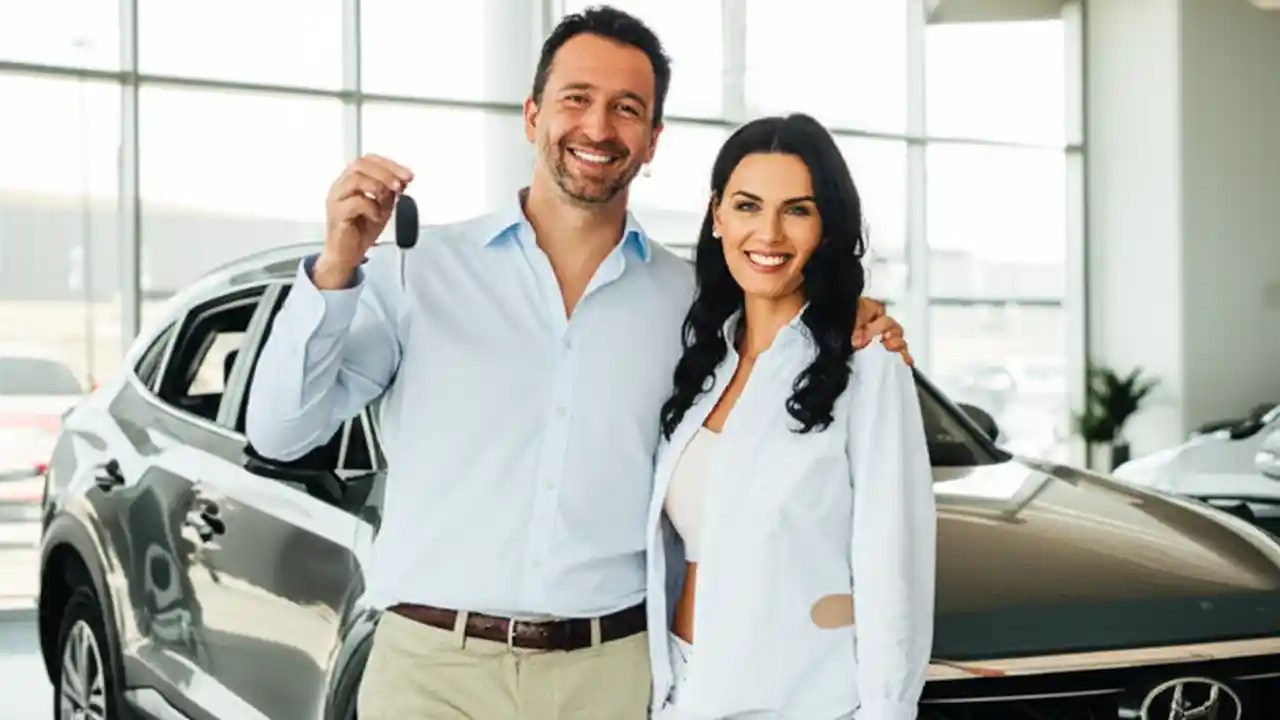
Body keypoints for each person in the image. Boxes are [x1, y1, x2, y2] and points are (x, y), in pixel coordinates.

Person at [244, 7, 914, 719]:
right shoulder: (416, 272)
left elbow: (783, 352)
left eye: (627, 109)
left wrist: (852, 313)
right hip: (431, 671)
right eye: (576, 99)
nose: (598, 128)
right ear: (532, 115)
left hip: (613, 675)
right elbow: (281, 431)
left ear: (653, 140)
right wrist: (337, 266)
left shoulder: (691, 305)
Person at [645, 114, 936, 720]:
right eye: (748, 206)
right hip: (682, 691)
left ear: (827, 228)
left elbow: (893, 566)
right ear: (717, 215)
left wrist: (887, 710)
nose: (769, 233)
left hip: (800, 701)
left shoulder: (869, 365)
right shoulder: (701, 360)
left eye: (797, 210)